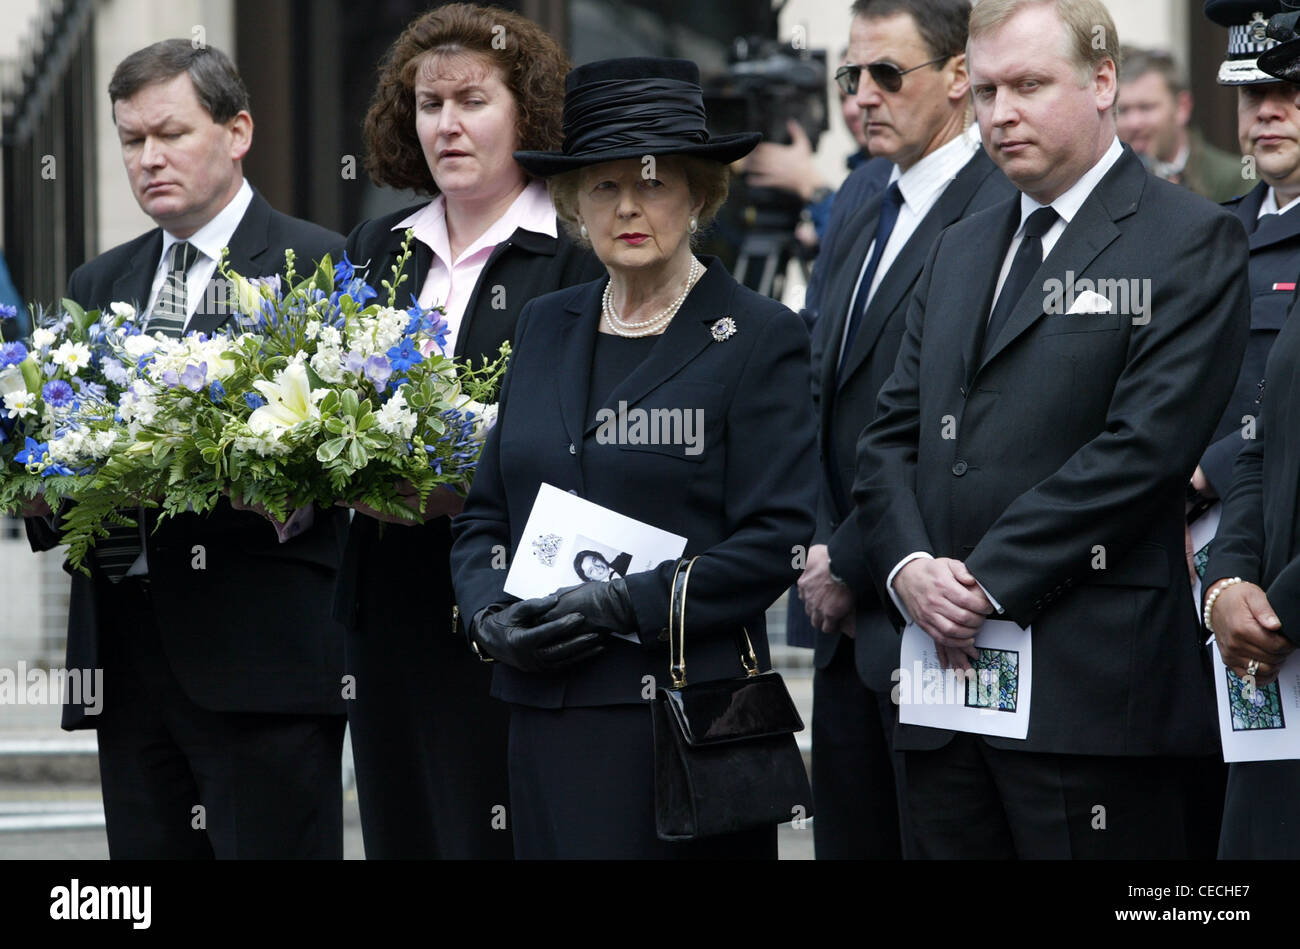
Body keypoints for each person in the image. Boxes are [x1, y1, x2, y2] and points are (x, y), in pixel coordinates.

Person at [850, 0, 1248, 858]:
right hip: (940, 699)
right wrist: (910, 568)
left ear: (1104, 81)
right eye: (987, 90)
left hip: (1090, 699)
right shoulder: (956, 244)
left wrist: (981, 584)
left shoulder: (1189, 240)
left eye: (1029, 85)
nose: (1001, 113)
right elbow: (888, 439)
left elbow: (1143, 451)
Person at [449, 56, 817, 860]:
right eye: (604, 186)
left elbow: (776, 539)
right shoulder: (545, 322)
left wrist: (620, 604)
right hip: (543, 717)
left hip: (682, 726)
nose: (627, 207)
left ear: (698, 193)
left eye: (651, 184)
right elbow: (485, 512)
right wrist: (485, 616)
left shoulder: (759, 336)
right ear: (576, 204)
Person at [24, 40, 348, 859]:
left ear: (237, 131)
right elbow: (68, 458)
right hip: (127, 662)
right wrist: (35, 482)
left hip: (258, 664)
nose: (148, 158)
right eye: (131, 140)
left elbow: (349, 464)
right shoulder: (100, 281)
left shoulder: (314, 262)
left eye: (170, 133)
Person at [330, 3, 601, 860]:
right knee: (400, 832)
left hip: (516, 606)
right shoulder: (378, 247)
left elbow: (592, 436)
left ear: (528, 110)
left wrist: (472, 483)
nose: (446, 123)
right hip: (388, 603)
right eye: (428, 102)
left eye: (472, 100)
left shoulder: (576, 254)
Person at [794, 0, 1016, 862]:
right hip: (839, 619)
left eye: (889, 74)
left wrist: (851, 559)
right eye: (852, 76)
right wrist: (816, 552)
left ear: (959, 75)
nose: (863, 97)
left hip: (932, 612)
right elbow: (820, 388)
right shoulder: (859, 194)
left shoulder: (1002, 201)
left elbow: (955, 418)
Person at [1179, 0, 1300, 858]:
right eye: (1253, 90)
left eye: (1292, 88)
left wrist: (1210, 469)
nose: (1267, 108)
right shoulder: (1220, 233)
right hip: (1219, 560)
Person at [1117, 45, 1251, 202]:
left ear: (1182, 107)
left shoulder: (1234, 180)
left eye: (1146, 108)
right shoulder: (1108, 181)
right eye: (1123, 110)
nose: (1134, 123)